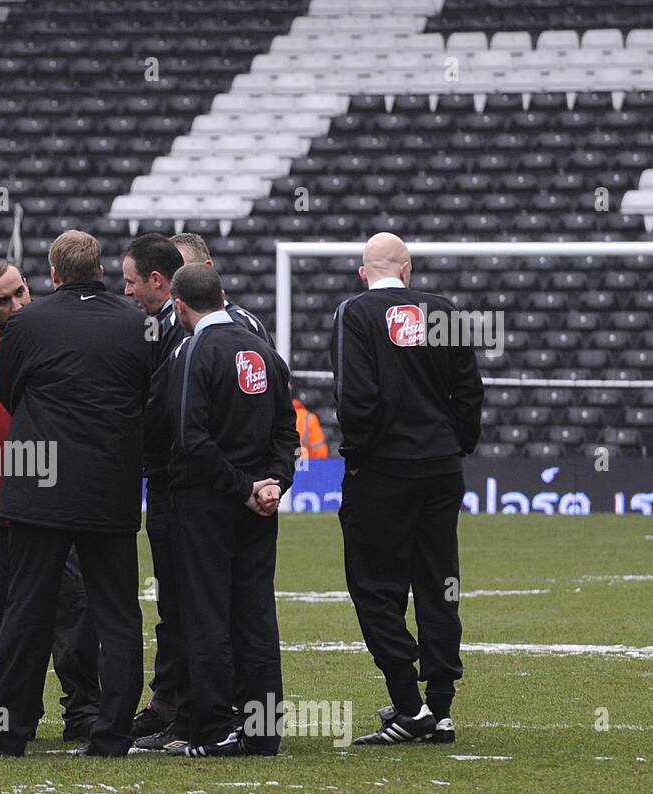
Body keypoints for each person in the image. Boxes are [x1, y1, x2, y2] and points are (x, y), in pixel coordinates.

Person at [0, 231, 152, 757]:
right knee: (117, 613)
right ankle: (112, 732)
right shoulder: (137, 324)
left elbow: (9, 390)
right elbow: (148, 394)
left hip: (38, 484)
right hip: (110, 486)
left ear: (52, 274)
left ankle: (10, 730)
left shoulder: (28, 323)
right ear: (102, 269)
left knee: (26, 607)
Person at [332, 232, 483, 745]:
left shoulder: (355, 314)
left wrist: (364, 453)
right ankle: (440, 708)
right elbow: (469, 391)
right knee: (440, 580)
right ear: (408, 268)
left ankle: (408, 703)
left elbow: (356, 399)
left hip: (383, 469)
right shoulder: (444, 310)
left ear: (362, 272)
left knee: (373, 585)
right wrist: (455, 443)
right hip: (440, 468)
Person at [0, 259, 100, 741]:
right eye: (3, 299)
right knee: (5, 618)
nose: (16, 304)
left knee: (72, 611)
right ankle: (14, 718)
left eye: (20, 292)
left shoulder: (58, 336)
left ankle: (83, 712)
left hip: (52, 502)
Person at [165, 264, 299, 756]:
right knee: (256, 614)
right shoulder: (264, 350)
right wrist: (274, 485)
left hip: (207, 502)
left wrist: (242, 488)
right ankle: (262, 731)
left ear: (180, 305)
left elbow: (190, 437)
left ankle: (215, 728)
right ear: (223, 295)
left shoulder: (191, 350)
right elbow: (288, 430)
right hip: (260, 506)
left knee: (207, 614)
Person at [120, 233, 188, 747]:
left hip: (180, 482)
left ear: (156, 281)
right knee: (174, 596)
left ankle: (190, 706)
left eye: (129, 281)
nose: (125, 292)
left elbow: (162, 408)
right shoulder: (160, 325)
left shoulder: (184, 331)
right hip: (166, 479)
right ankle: (168, 700)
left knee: (188, 597)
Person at [170, 232, 271, 342]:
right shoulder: (166, 325)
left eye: (178, 271)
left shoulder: (243, 325)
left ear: (206, 268)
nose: (171, 281)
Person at [293, 394, 329, 460]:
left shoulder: (284, 415)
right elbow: (319, 451)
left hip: (285, 462)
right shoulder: (310, 417)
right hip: (309, 461)